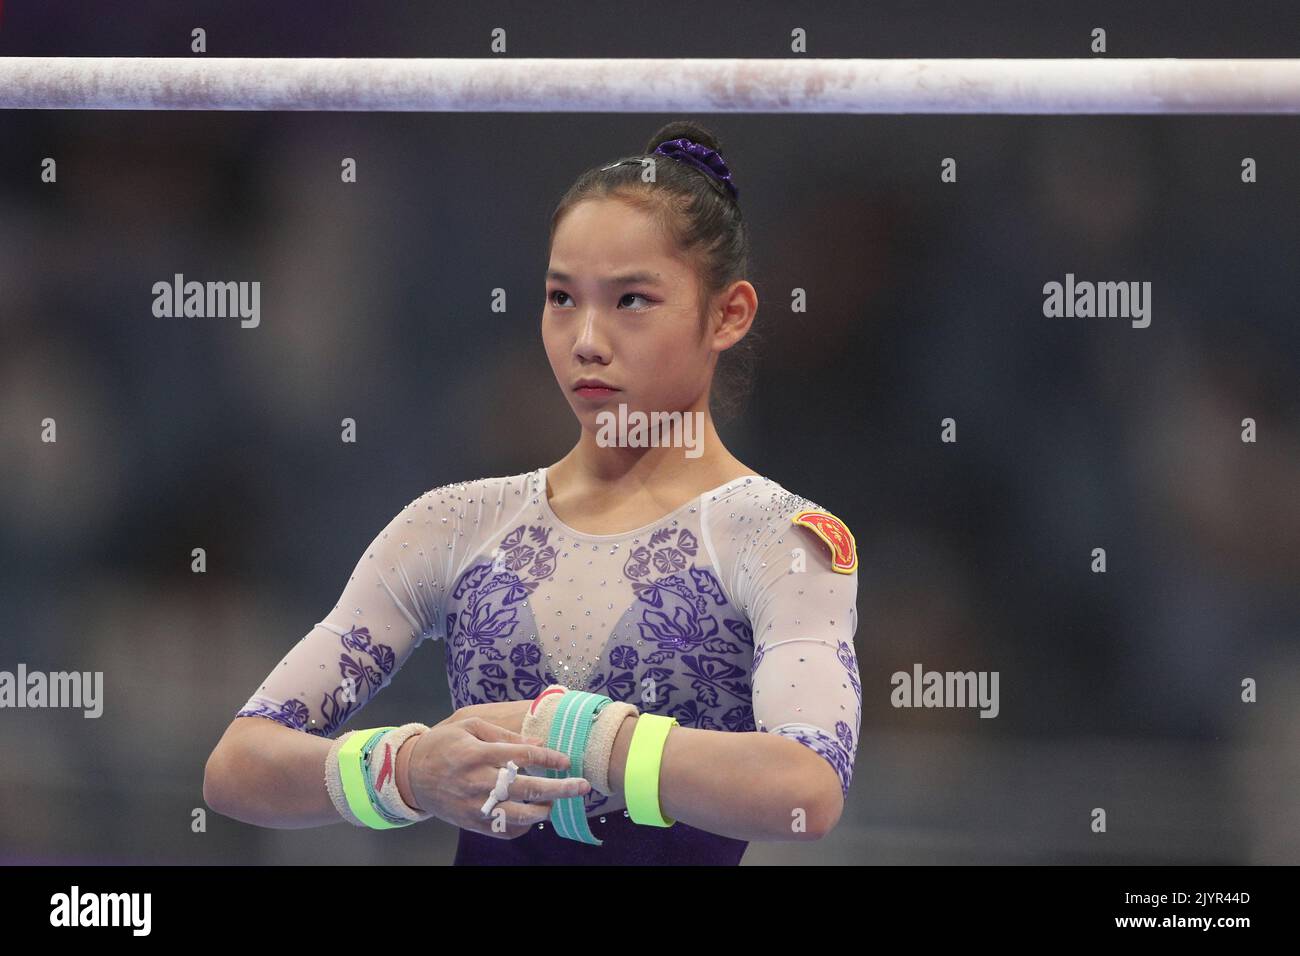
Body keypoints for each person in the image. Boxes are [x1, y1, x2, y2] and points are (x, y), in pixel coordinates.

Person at [204, 120, 862, 865]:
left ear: (728, 315)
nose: (586, 338)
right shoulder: (453, 524)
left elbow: (807, 791)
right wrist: (407, 771)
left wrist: (591, 741)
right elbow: (237, 767)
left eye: (632, 300)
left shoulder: (780, 539)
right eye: (561, 298)